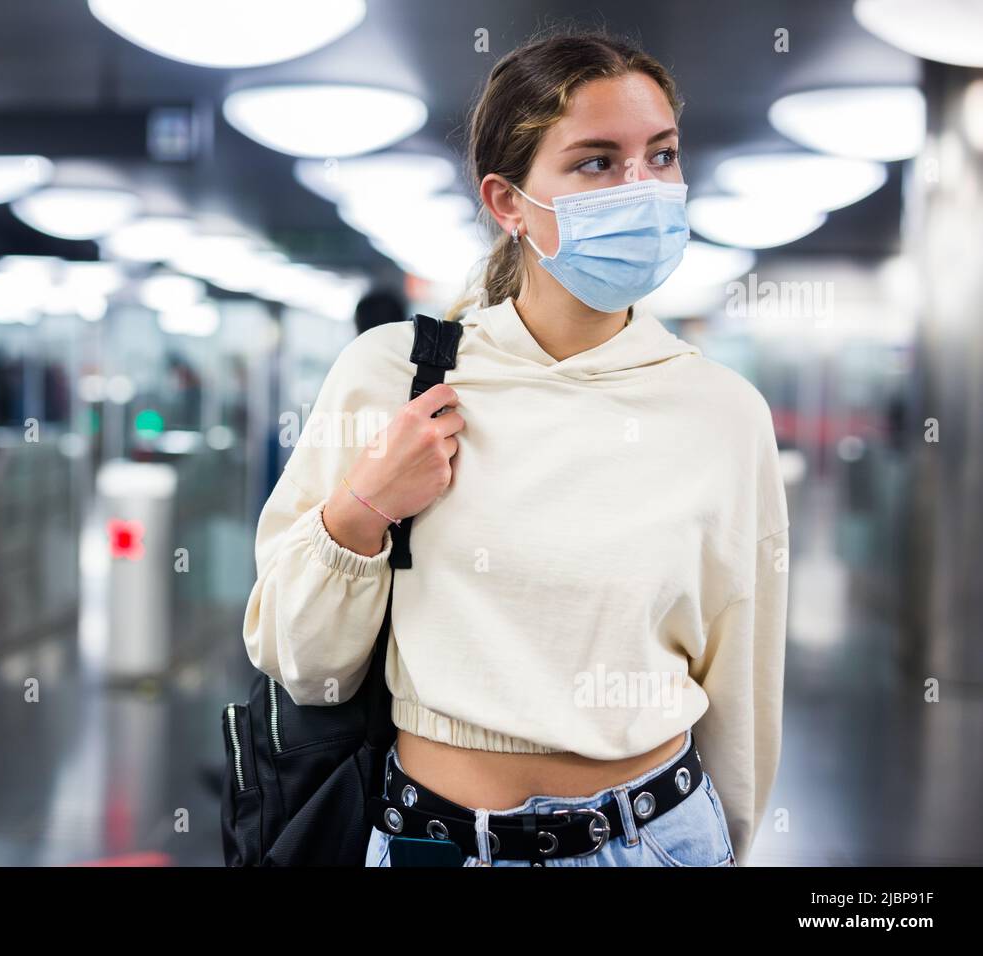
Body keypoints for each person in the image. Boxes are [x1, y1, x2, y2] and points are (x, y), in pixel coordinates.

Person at [242, 29, 789, 867]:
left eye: (663, 155)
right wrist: (364, 507)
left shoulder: (724, 413)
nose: (642, 189)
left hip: (659, 840)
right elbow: (299, 660)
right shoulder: (397, 375)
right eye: (598, 162)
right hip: (437, 843)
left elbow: (741, 690)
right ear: (507, 203)